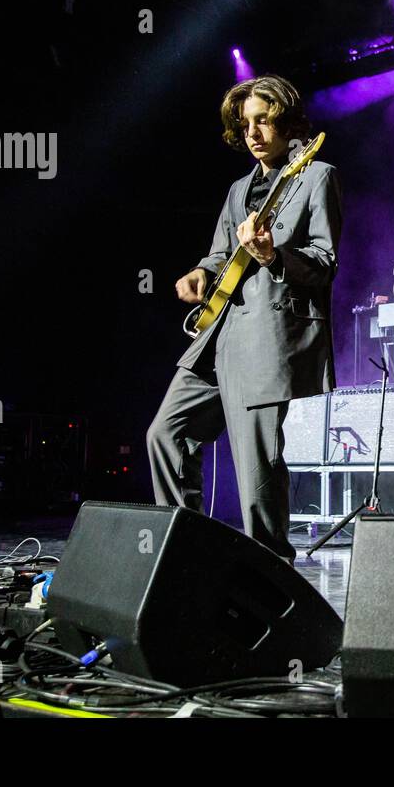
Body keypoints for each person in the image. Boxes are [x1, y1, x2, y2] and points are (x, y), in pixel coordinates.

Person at [147, 74, 341, 562]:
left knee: (256, 471)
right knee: (165, 434)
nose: (253, 133)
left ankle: (271, 569)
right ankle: (184, 552)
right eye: (245, 124)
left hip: (269, 338)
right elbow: (219, 254)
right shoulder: (238, 189)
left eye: (263, 121)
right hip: (219, 334)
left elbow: (323, 263)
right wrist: (199, 273)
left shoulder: (316, 176)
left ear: (287, 121)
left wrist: (275, 255)